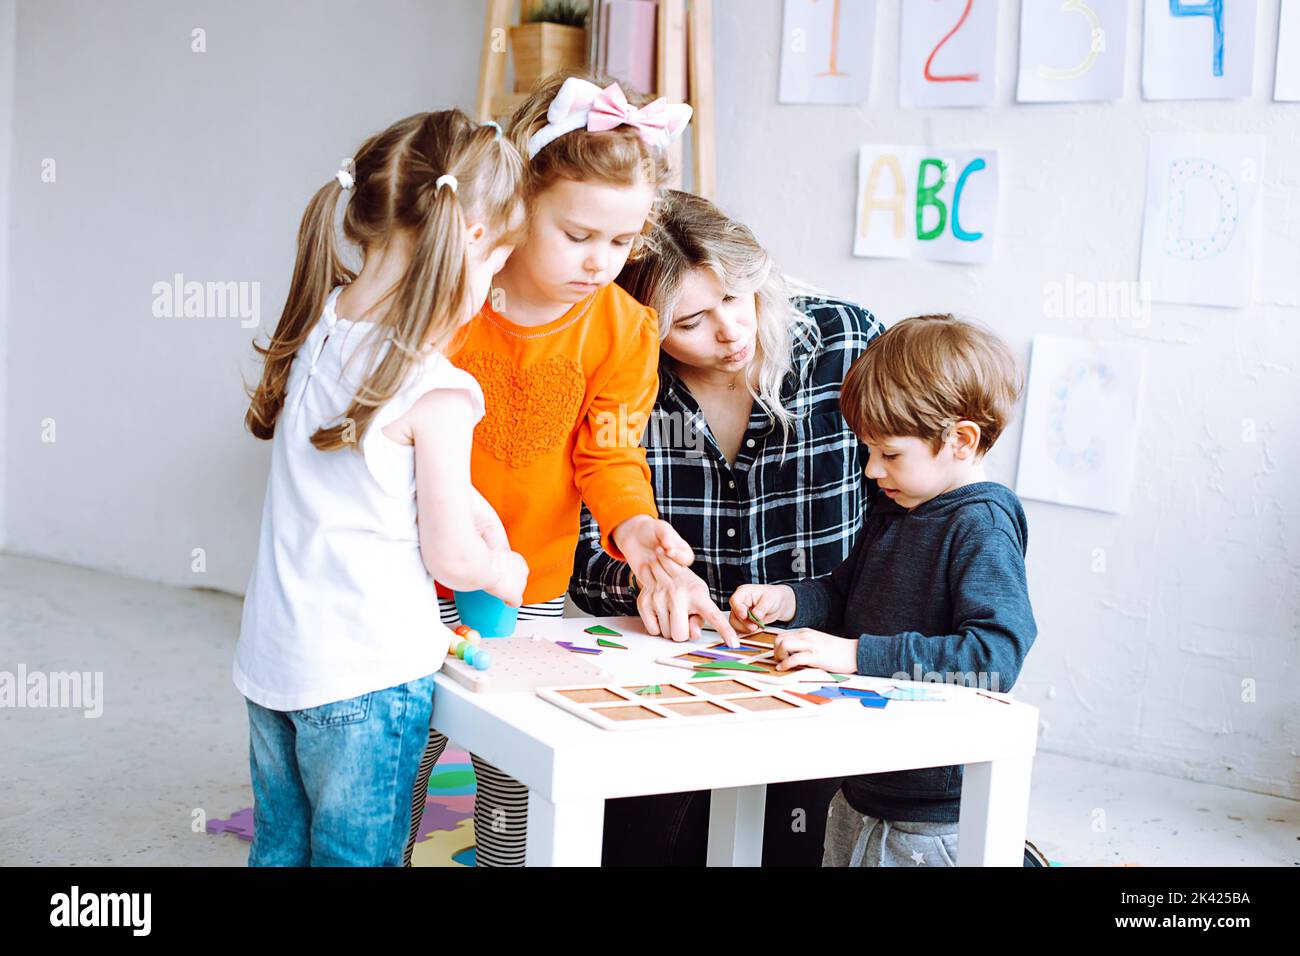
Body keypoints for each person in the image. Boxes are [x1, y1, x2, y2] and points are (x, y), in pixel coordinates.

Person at [404, 73, 739, 868]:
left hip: (533, 580)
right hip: (408, 572)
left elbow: (609, 451)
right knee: (403, 750)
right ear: (520, 205)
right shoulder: (450, 298)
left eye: (621, 243)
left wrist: (637, 527)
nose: (601, 262)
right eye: (579, 235)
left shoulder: (626, 328)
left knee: (511, 762)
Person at [235, 110, 529, 866]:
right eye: (499, 261)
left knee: (280, 850)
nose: (493, 283)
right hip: (364, 680)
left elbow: (358, 482)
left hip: (275, 663)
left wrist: (463, 503)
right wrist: (502, 569)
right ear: (470, 240)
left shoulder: (320, 325)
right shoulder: (436, 389)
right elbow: (453, 558)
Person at [569, 189, 882, 865]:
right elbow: (581, 557)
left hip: (817, 662)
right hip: (669, 666)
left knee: (791, 846)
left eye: (737, 298)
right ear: (645, 326)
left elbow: (906, 500)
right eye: (691, 322)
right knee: (635, 843)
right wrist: (649, 580)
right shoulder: (623, 375)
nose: (731, 332)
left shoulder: (845, 342)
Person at [730, 314, 1041, 867]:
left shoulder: (982, 526)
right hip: (862, 788)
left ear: (961, 441)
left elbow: (994, 657)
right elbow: (847, 593)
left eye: (889, 453)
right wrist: (790, 601)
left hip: (930, 815)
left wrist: (854, 654)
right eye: (867, 450)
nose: (871, 469)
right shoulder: (898, 503)